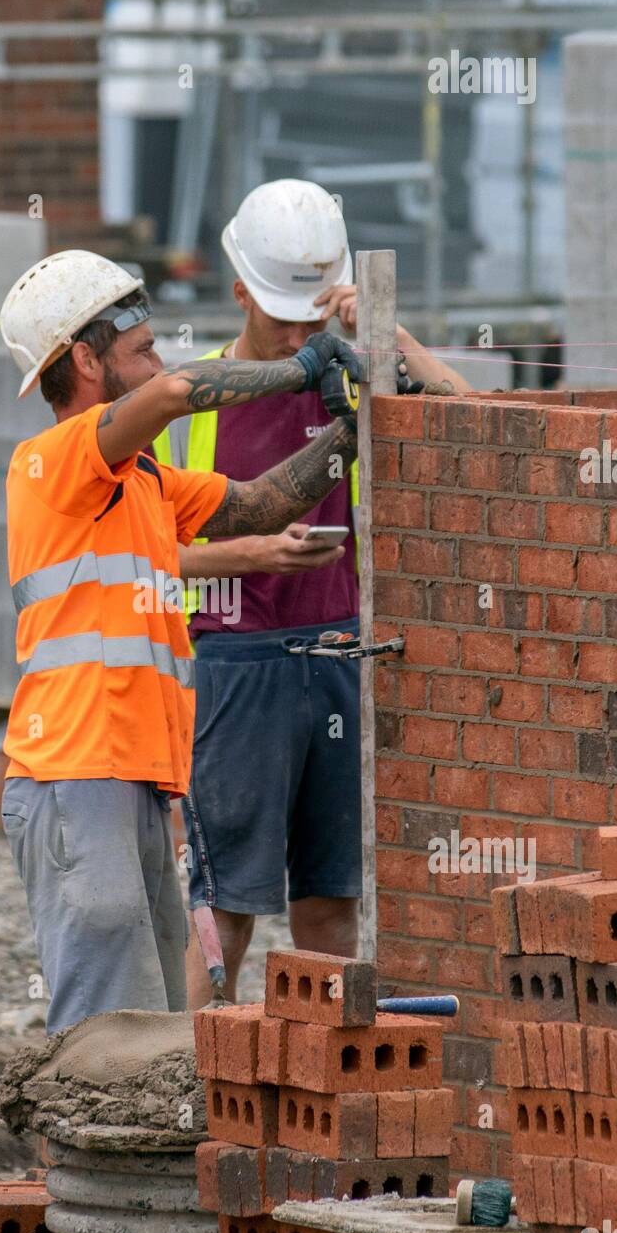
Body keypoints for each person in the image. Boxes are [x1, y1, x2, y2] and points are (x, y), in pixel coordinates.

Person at [0, 247, 365, 1032]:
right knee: (105, 1029)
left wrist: (356, 429)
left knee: (155, 1026)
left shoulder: (144, 482)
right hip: (73, 771)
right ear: (88, 361)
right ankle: (72, 1161)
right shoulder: (56, 460)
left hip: (127, 775)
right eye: (143, 347)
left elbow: (263, 505)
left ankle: (123, 1158)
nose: (160, 359)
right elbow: (173, 393)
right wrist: (299, 368)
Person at [153, 179, 470, 1008]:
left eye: (312, 315)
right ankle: (196, 1087)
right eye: (282, 315)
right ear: (237, 292)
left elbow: (473, 427)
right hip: (236, 665)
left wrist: (390, 335)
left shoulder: (358, 377)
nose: (301, 334)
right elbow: (147, 557)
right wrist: (253, 552)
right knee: (227, 903)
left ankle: (320, 1089)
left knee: (330, 906)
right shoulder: (193, 397)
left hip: (339, 652)